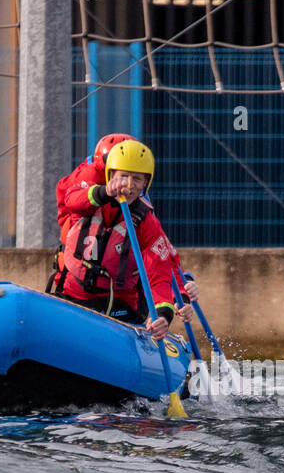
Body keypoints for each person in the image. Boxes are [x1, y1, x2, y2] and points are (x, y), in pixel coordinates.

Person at [47, 139, 188, 340]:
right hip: (73, 296)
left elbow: (159, 273)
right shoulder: (90, 199)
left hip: (118, 307)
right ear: (110, 176)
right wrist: (105, 191)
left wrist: (164, 314)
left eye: (137, 179)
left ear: (146, 184)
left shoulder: (147, 222)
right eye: (123, 177)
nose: (128, 185)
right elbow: (71, 200)